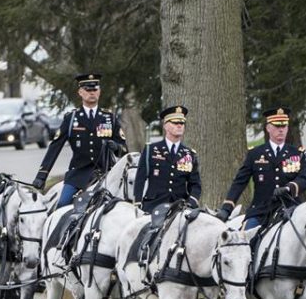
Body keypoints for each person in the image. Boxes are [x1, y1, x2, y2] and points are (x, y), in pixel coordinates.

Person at [217, 107, 306, 299]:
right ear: (268, 128)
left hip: (288, 210)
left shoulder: (296, 153)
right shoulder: (255, 154)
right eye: (276, 126)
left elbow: (305, 179)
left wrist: (290, 188)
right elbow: (239, 182)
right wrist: (226, 208)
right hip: (260, 211)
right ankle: (244, 288)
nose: (281, 130)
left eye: (284, 126)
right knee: (245, 243)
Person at [31, 73, 126, 206]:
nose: (92, 93)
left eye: (95, 89)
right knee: (62, 205)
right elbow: (55, 147)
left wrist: (116, 147)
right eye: (88, 89)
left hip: (106, 174)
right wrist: (41, 176)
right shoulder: (71, 119)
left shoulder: (109, 117)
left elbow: (124, 149)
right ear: (80, 92)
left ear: (99, 92)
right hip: (78, 175)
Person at [133, 105, 202, 212]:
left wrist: (191, 203)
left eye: (182, 123)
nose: (179, 126)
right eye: (175, 123)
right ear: (165, 126)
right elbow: (140, 179)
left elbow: (195, 184)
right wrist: (137, 202)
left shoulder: (189, 154)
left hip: (180, 208)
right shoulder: (151, 150)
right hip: (153, 206)